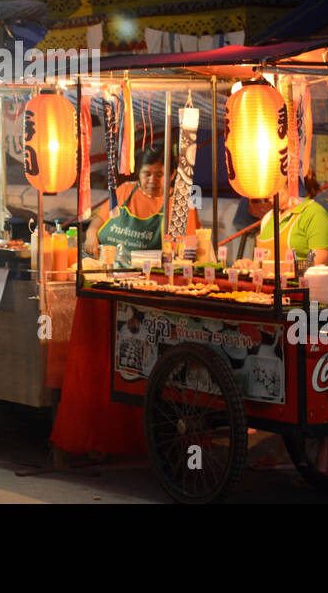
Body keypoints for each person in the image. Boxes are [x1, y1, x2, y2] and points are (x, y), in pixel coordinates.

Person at [62, 145, 199, 459]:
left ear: (171, 176)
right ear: (137, 173)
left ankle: (134, 441)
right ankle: (93, 436)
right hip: (105, 287)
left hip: (143, 296)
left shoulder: (179, 204)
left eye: (160, 174)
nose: (152, 180)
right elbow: (96, 223)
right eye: (146, 173)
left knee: (133, 370)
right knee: (99, 361)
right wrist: (92, 235)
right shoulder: (123, 191)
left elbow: (186, 253)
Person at [239, 172, 328, 268]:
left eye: (274, 186)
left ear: (292, 185)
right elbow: (261, 262)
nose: (268, 192)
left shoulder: (315, 214)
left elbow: (319, 262)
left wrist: (284, 270)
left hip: (297, 282)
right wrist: (249, 265)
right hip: (267, 282)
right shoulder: (269, 217)